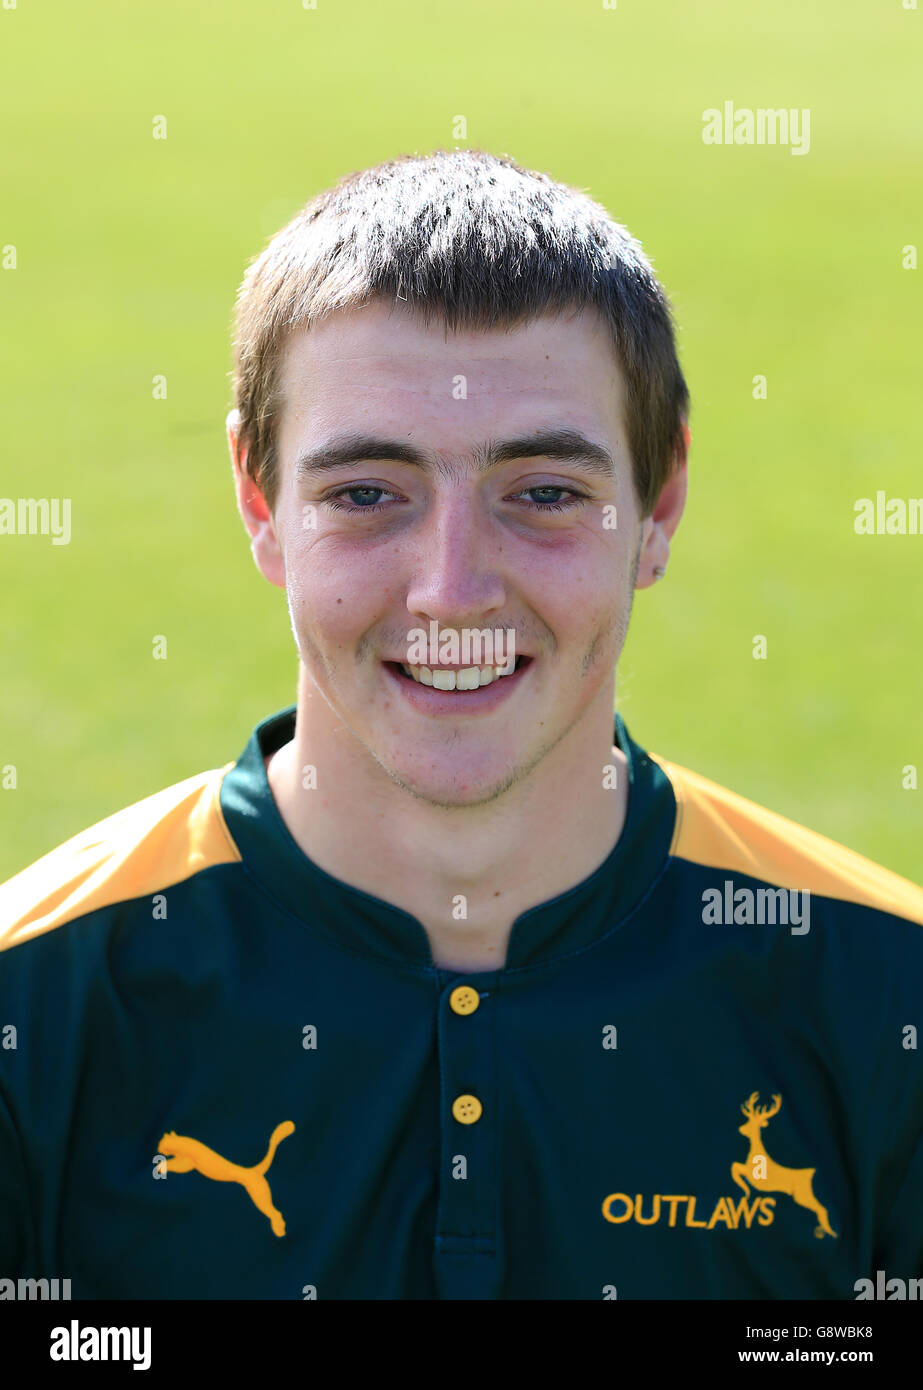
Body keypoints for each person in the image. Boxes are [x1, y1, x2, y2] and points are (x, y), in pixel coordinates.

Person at [1, 149, 920, 1301]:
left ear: (657, 500)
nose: (451, 590)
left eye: (540, 491)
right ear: (258, 498)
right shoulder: (31, 1006)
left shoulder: (891, 994)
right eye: (365, 493)